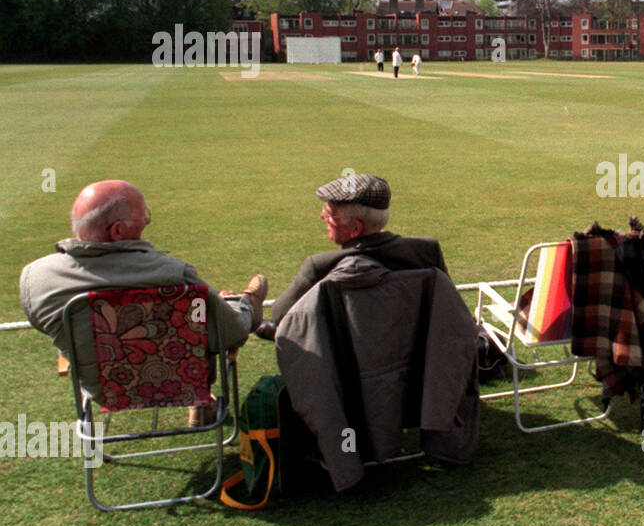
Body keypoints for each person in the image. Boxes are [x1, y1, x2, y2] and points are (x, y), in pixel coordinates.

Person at [19, 181, 267, 423]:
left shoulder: (37, 280)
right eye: (143, 216)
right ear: (117, 231)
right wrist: (236, 309)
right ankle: (245, 303)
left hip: (105, 390)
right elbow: (230, 334)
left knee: (202, 316)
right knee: (210, 319)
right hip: (183, 380)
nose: (147, 221)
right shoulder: (175, 276)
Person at [264, 173, 447, 334]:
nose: (322, 217)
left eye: (329, 214)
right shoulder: (426, 251)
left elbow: (280, 315)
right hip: (424, 367)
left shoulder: (320, 267)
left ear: (355, 228)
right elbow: (445, 307)